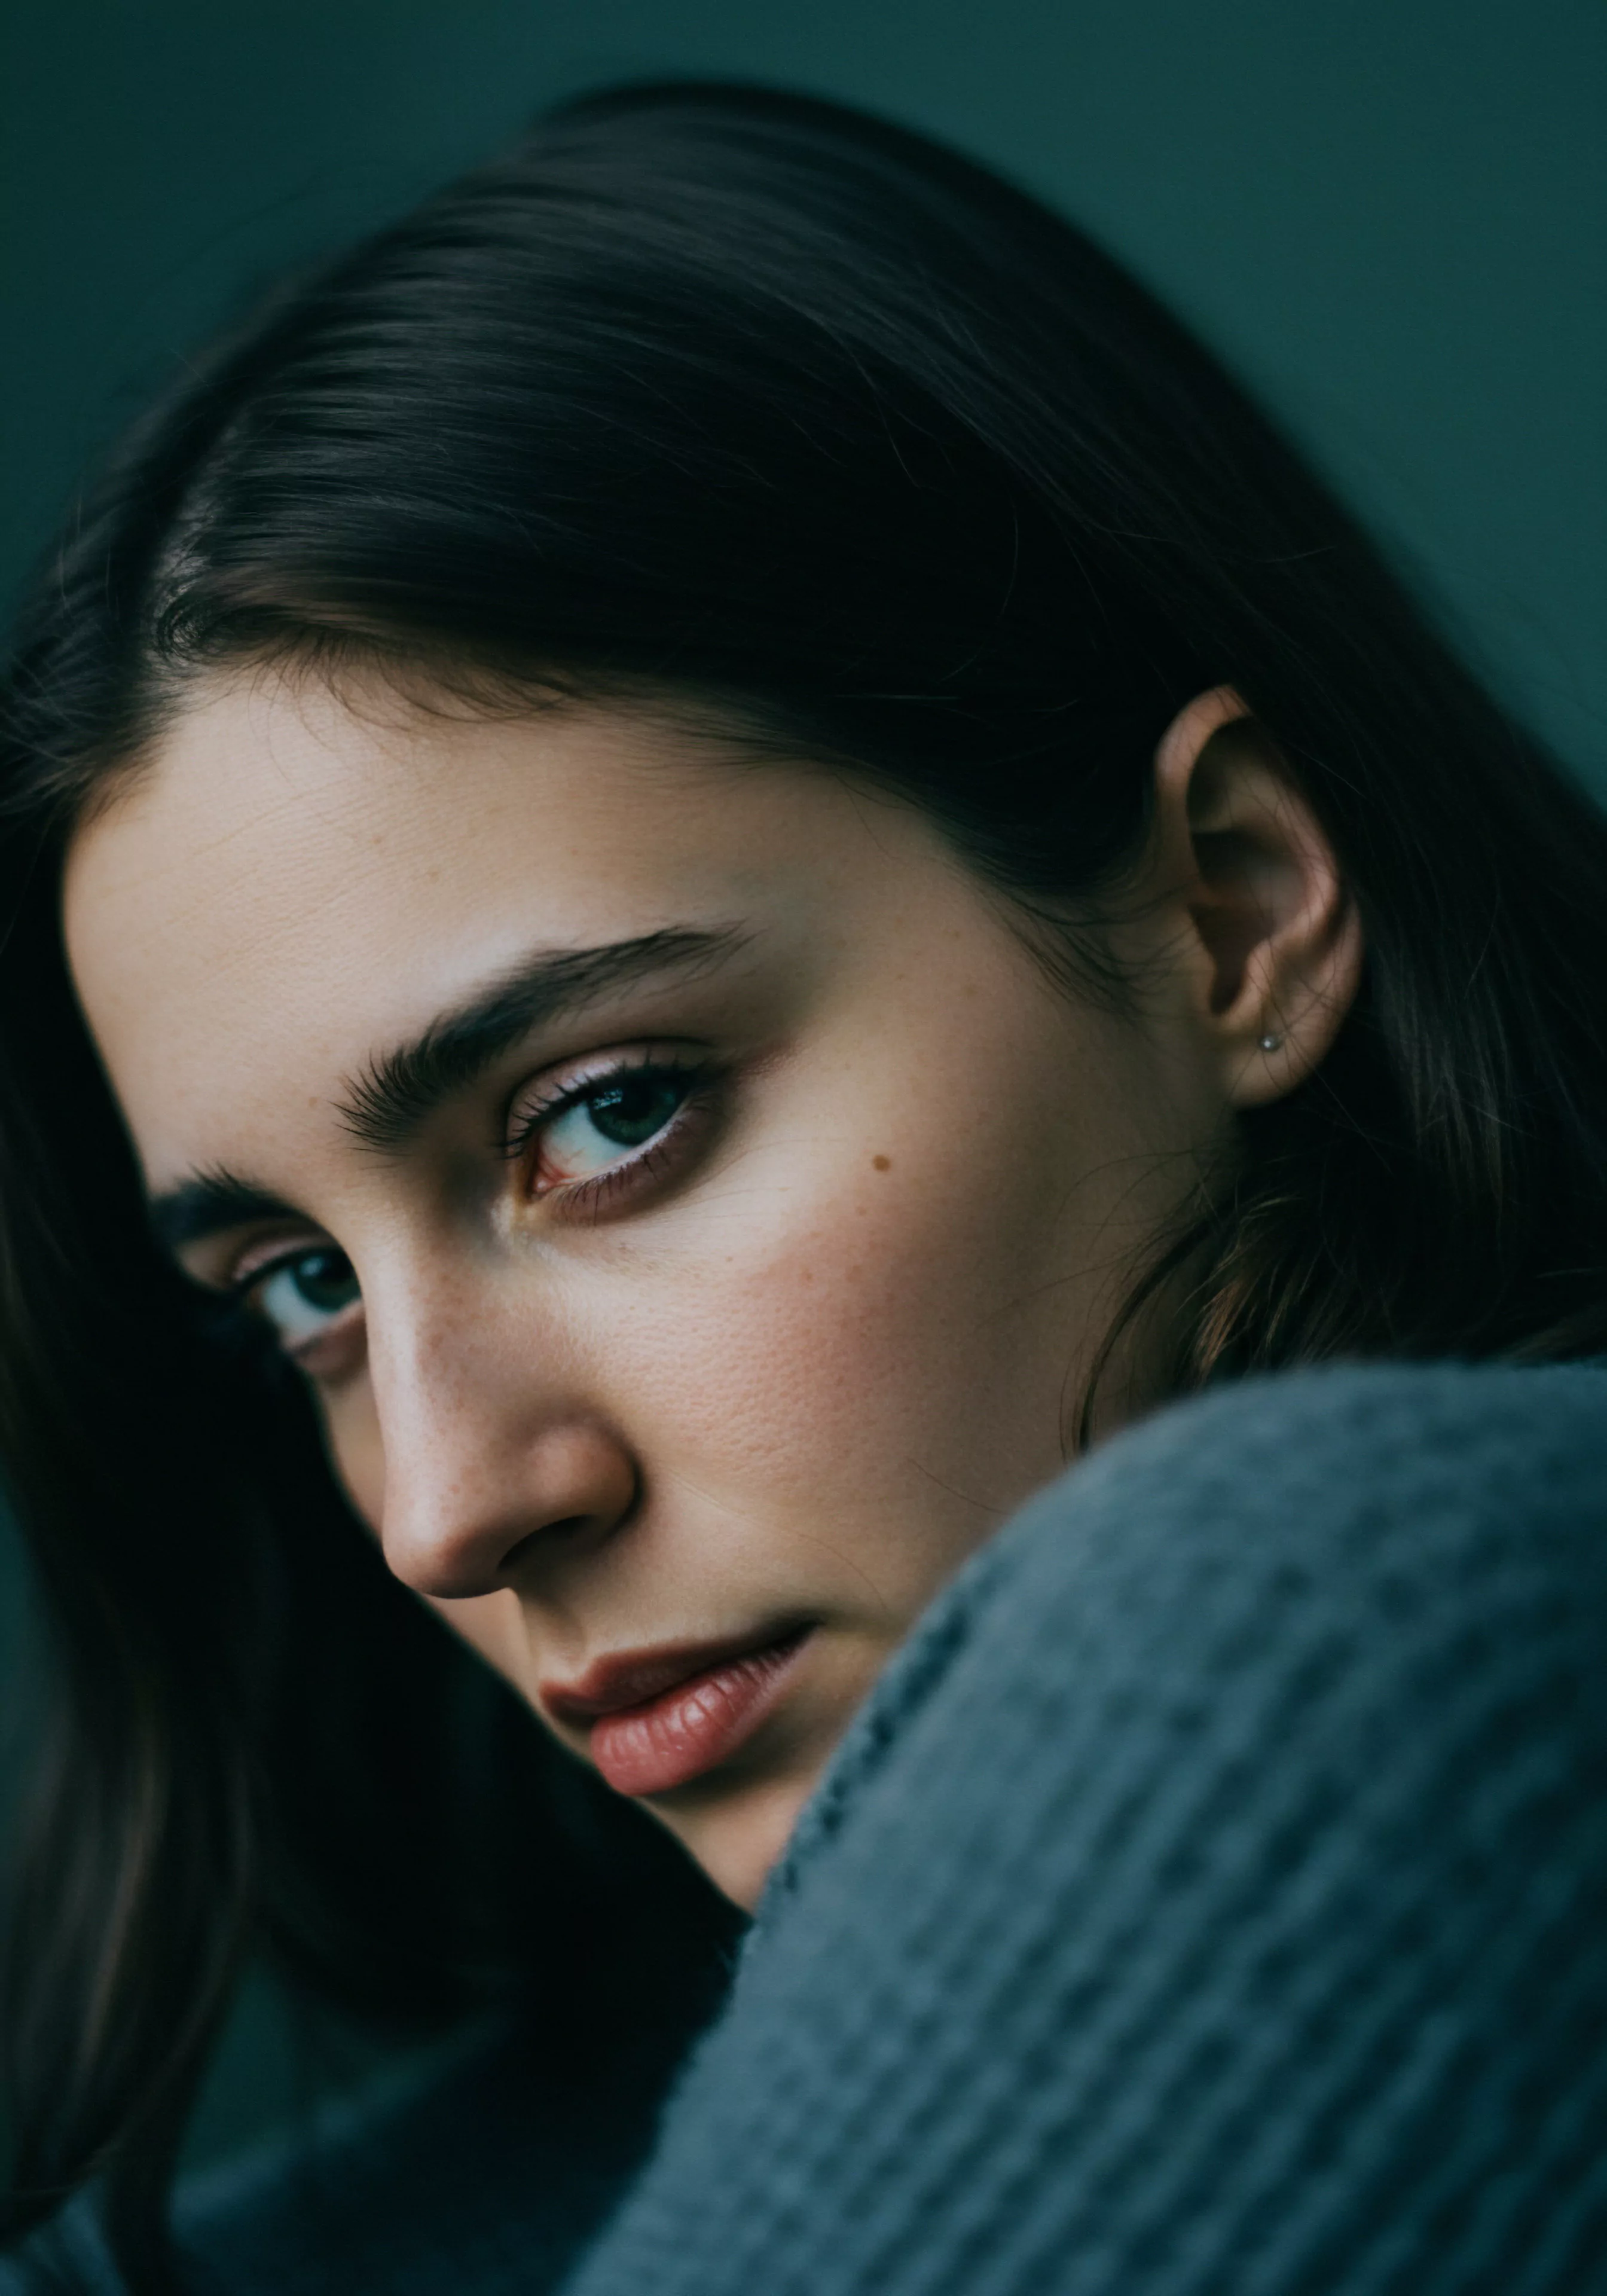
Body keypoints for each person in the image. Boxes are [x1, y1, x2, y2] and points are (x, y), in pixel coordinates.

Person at [2, 78, 1605, 2296]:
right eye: (303, 1292)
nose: (445, 1514)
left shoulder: (1379, 1636)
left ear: (1230, 910)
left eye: (607, 1116)